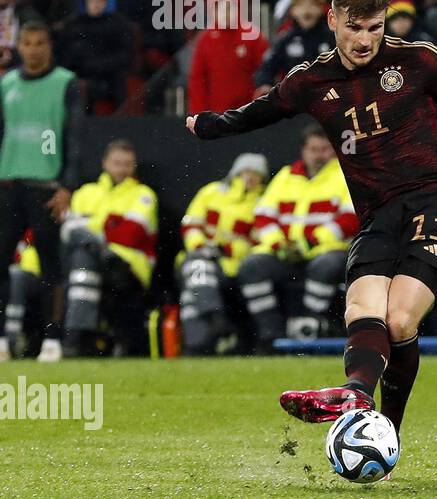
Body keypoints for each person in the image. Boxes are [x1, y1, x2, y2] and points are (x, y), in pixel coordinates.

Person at [187, 0, 437, 439]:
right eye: (354, 27)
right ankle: (356, 395)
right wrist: (210, 125)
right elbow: (261, 110)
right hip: (379, 214)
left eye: (375, 28)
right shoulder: (311, 80)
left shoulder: (416, 61)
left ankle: (381, 427)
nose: (364, 40)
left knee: (398, 319)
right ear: (333, 19)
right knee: (362, 311)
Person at [0, 24, 82, 363]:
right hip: (7, 186)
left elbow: (75, 138)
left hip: (46, 188)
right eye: (27, 43)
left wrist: (67, 185)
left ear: (49, 46)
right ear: (18, 45)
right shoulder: (6, 84)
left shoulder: (66, 83)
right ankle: (3, 338)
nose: (33, 50)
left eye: (40, 43)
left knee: (51, 264)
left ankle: (52, 338)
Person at [238, 123, 356, 353]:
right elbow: (262, 216)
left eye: (324, 149)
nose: (319, 155)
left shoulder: (344, 175)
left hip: (327, 252)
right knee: (252, 266)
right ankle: (270, 335)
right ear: (303, 150)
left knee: (325, 265)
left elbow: (350, 218)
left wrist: (309, 242)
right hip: (286, 253)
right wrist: (278, 244)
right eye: (314, 149)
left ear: (333, 150)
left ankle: (309, 325)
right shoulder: (285, 176)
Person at [58, 138, 157, 357]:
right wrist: (108, 227)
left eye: (127, 164)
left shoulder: (143, 194)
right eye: (117, 163)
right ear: (105, 163)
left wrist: (90, 230)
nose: (122, 169)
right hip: (92, 261)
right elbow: (68, 230)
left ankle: (75, 341)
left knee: (83, 261)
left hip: (128, 267)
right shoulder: (86, 192)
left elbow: (130, 235)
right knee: (84, 262)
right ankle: (80, 340)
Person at [177, 151, 267, 355]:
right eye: (247, 172)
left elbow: (255, 241)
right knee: (197, 268)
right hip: (200, 258)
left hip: (231, 266)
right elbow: (190, 225)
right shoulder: (210, 192)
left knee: (192, 289)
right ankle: (208, 332)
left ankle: (197, 345)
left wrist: (223, 249)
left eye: (256, 174)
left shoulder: (262, 202)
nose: (250, 177)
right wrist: (201, 247)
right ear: (236, 172)